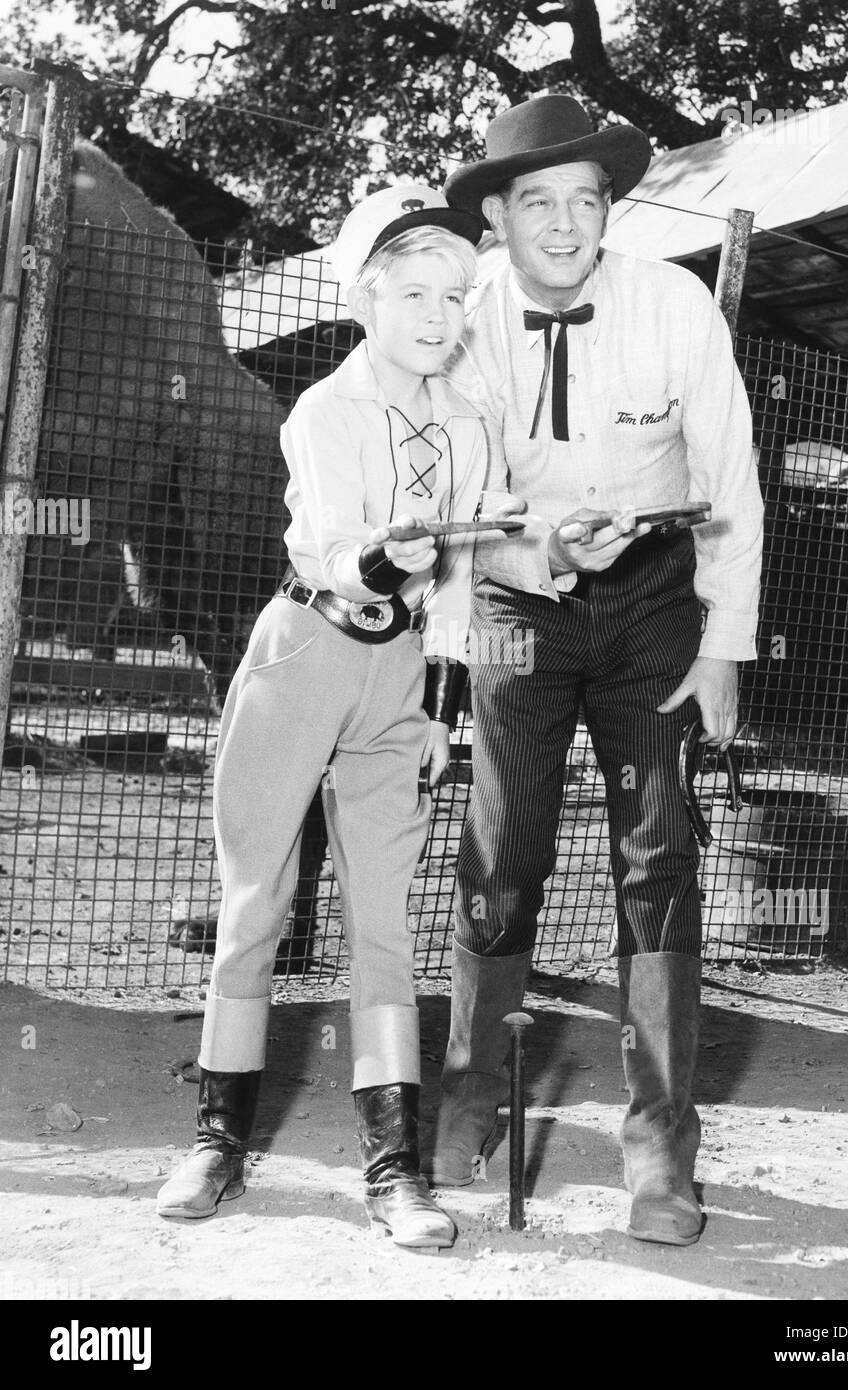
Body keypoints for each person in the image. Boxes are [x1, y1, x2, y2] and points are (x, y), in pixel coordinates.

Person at [422, 95, 764, 1247]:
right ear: (495, 216)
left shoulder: (671, 302)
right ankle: (468, 1100)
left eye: (584, 200)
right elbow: (450, 506)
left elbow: (731, 476)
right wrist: (541, 548)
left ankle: (659, 1148)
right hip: (519, 602)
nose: (564, 224)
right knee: (502, 848)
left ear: (607, 210)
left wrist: (722, 645)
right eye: (536, 202)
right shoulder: (456, 323)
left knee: (656, 853)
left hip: (656, 607)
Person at [156, 185, 489, 1249]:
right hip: (303, 651)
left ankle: (394, 1170)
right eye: (415, 293)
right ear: (364, 298)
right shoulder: (321, 413)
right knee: (257, 901)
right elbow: (330, 547)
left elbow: (459, 585)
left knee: (386, 926)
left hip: (395, 683)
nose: (439, 315)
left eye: (455, 294)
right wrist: (379, 554)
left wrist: (445, 706)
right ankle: (217, 1139)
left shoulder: (472, 429)